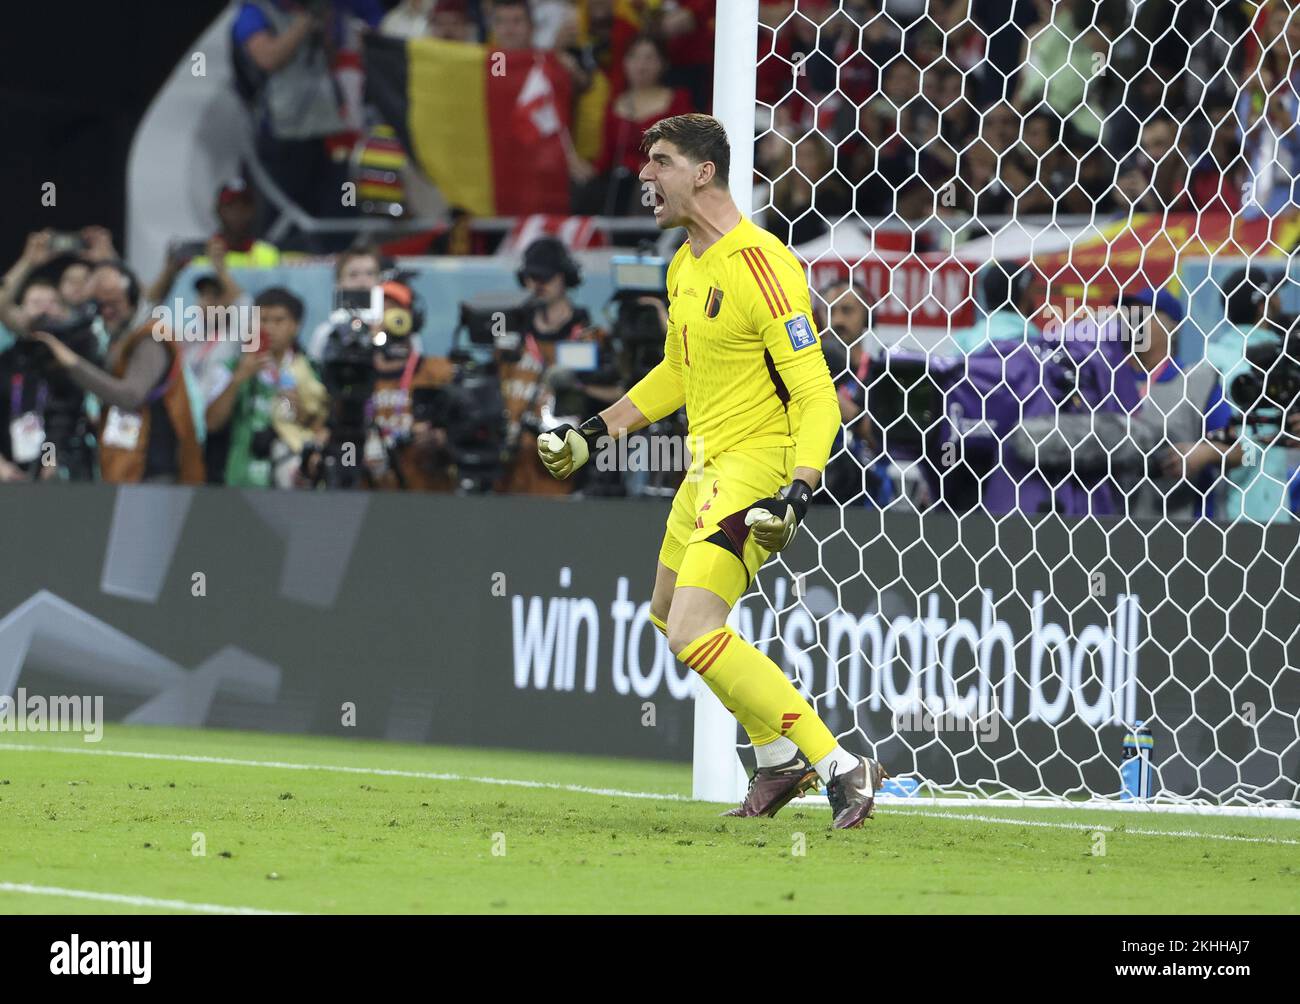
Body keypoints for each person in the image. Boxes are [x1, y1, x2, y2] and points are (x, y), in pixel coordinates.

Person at [536, 113, 886, 829]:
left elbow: (818, 394)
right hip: (703, 466)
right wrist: (596, 432)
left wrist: (800, 487)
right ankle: (774, 760)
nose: (643, 175)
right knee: (666, 613)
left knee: (695, 629)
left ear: (702, 172)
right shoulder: (684, 264)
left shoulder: (763, 264)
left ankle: (839, 764)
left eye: (659, 162)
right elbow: (678, 371)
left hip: (758, 465)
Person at [206, 287, 328, 488]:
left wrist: (302, 414)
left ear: (296, 326)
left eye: (279, 320)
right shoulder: (232, 368)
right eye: (262, 320)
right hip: (240, 484)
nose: (269, 328)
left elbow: (322, 429)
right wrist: (238, 379)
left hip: (294, 484)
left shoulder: (312, 371)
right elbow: (211, 423)